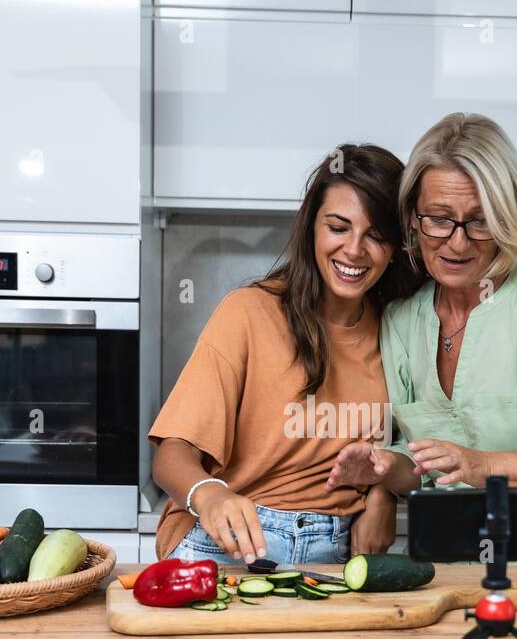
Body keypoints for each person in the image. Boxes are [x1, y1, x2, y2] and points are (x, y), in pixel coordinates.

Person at [324, 113, 517, 565]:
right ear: (413, 219)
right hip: (446, 581)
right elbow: (430, 465)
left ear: (508, 218)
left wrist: (484, 466)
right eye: (439, 219)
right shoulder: (401, 319)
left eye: (480, 221)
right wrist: (385, 469)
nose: (457, 243)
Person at [149, 144, 421, 564]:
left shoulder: (399, 326)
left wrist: (382, 492)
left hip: (336, 552)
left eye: (377, 235)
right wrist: (209, 495)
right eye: (338, 227)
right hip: (227, 541)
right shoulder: (248, 312)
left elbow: (407, 452)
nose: (354, 250)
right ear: (311, 226)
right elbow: (172, 456)